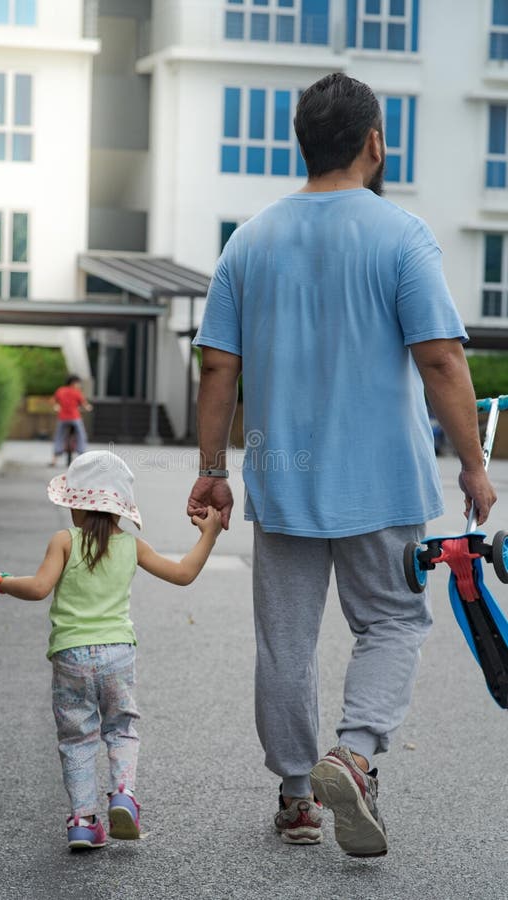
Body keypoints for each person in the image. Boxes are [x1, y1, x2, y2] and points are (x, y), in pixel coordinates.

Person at [187, 73, 497, 858]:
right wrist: (472, 464)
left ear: (303, 143)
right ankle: (354, 756)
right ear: (373, 143)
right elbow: (441, 360)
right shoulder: (402, 234)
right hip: (382, 484)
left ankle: (297, 798)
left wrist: (214, 467)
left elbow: (218, 367)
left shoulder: (248, 240)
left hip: (281, 476)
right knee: (392, 621)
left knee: (284, 642)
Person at [0, 450, 222, 850]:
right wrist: (208, 535)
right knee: (121, 729)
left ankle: (83, 820)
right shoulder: (132, 546)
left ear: (75, 503)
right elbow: (183, 574)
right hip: (118, 654)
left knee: (76, 738)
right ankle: (123, 794)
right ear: (119, 509)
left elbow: (39, 588)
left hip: (70, 655)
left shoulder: (64, 541)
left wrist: (0, 580)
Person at [51, 374, 93, 467]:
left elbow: (55, 402)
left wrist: (57, 407)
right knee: (81, 435)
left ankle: (54, 459)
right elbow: (84, 404)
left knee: (59, 436)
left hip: (63, 418)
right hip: (74, 418)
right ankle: (83, 457)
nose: (79, 385)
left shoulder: (60, 390)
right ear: (74, 383)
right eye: (78, 383)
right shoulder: (76, 392)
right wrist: (88, 407)